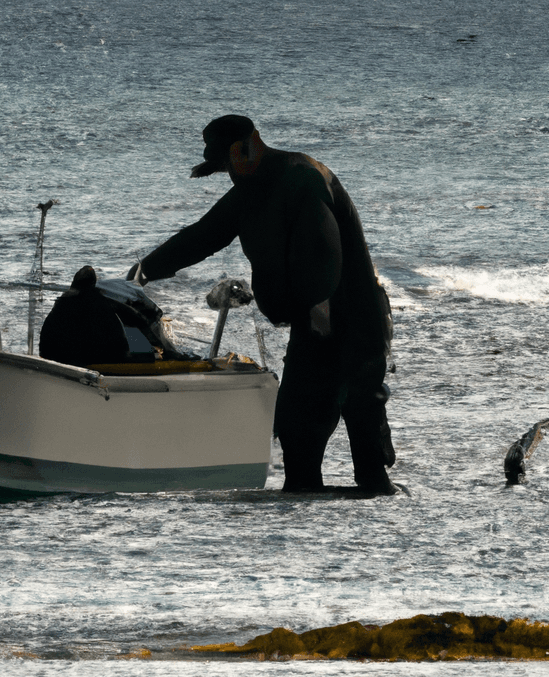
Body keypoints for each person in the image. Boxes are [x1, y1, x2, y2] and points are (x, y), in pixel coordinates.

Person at [129, 115, 397, 493]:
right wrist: (143, 271)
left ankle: (376, 497)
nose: (230, 174)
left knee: (361, 413)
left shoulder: (303, 177)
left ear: (250, 146)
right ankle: (309, 495)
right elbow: (199, 238)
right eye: (223, 168)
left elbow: (325, 255)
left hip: (352, 318)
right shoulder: (248, 192)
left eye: (229, 163)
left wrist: (319, 315)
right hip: (312, 323)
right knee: (297, 426)